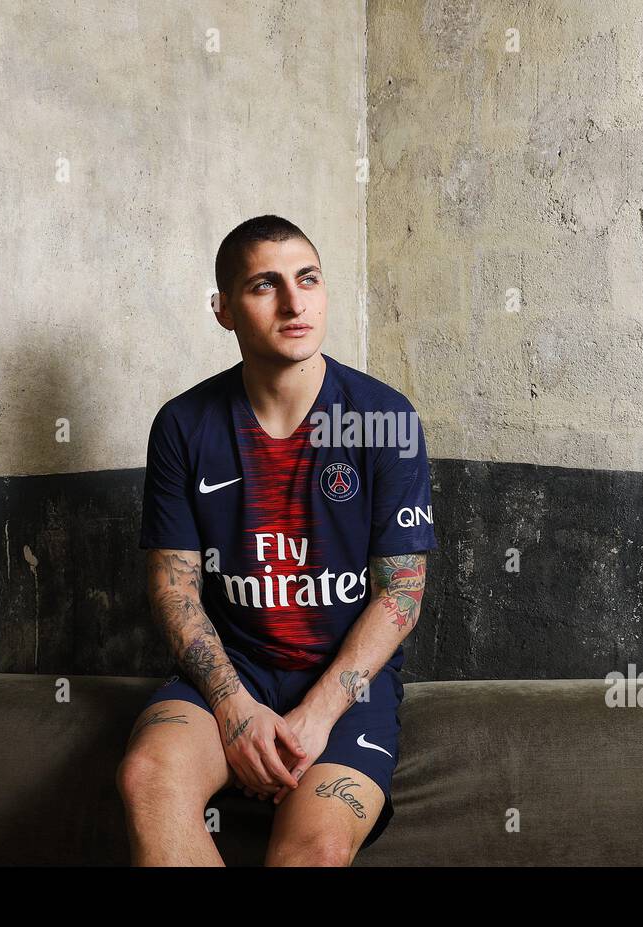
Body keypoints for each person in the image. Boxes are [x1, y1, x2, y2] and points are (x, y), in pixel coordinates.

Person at [117, 214, 436, 866]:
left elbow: (402, 591)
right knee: (147, 778)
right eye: (266, 286)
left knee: (314, 851)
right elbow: (174, 586)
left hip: (346, 690)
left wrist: (317, 716)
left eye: (307, 280)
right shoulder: (184, 425)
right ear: (224, 310)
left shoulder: (384, 418)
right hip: (230, 678)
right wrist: (234, 706)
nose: (295, 303)